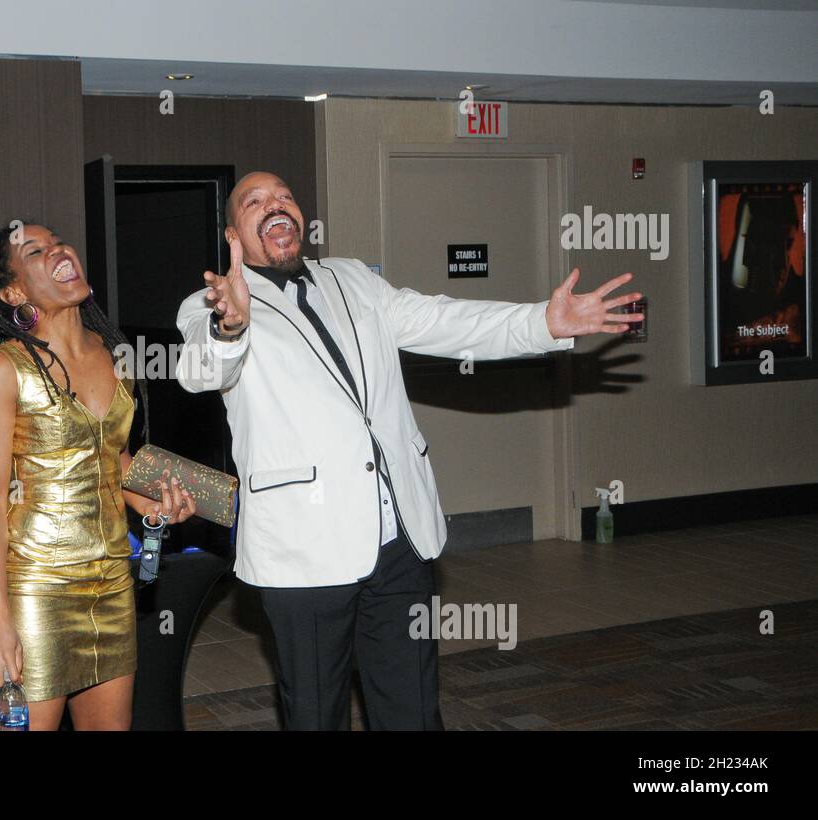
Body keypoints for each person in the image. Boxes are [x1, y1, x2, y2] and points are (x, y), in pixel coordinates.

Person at [175, 171, 644, 730]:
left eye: (285, 197)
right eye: (256, 201)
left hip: (399, 537)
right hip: (303, 549)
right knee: (316, 712)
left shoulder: (351, 278)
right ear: (233, 233)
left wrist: (543, 322)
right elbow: (200, 373)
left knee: (413, 707)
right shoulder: (209, 306)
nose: (276, 205)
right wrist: (231, 325)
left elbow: (444, 320)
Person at [0, 222, 195, 731]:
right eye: (36, 251)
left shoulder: (115, 356)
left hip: (111, 583)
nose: (59, 250)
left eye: (58, 242)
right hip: (34, 590)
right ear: (14, 291)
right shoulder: (5, 370)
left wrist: (154, 505)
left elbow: (116, 461)